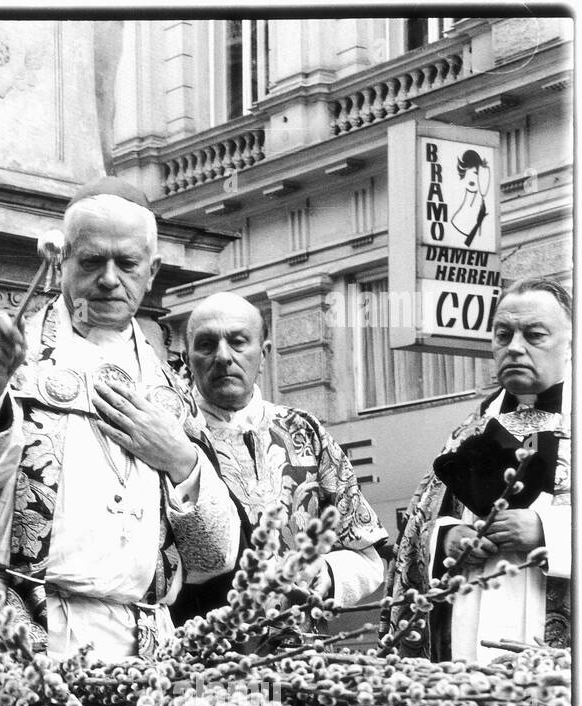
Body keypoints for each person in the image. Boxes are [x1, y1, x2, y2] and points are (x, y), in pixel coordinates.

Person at [0, 177, 241, 659]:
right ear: (62, 263)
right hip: (28, 638)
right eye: (92, 261)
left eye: (128, 263)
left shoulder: (175, 397)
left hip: (146, 648)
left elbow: (215, 557)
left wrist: (182, 461)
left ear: (153, 270)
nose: (109, 279)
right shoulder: (17, 358)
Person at [175, 292, 391, 622]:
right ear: (187, 357)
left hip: (302, 659)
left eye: (237, 342)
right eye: (206, 344)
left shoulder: (304, 431)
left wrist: (329, 573)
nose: (222, 356)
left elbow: (370, 555)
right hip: (200, 655)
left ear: (264, 354)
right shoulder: (173, 435)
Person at [389, 278, 572, 663]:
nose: (515, 348)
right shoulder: (469, 432)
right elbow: (418, 528)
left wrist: (550, 533)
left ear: (572, 341)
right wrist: (447, 540)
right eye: (503, 335)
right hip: (468, 654)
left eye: (534, 335)